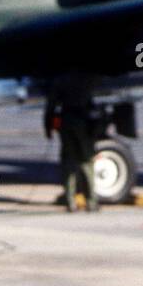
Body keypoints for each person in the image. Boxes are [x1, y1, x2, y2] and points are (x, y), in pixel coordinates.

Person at [44, 73, 101, 212]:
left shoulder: (61, 79)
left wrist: (48, 127)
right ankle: (91, 202)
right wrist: (95, 129)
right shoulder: (86, 77)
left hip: (67, 122)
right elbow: (91, 103)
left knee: (69, 162)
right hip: (83, 122)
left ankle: (70, 202)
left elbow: (51, 105)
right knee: (86, 162)